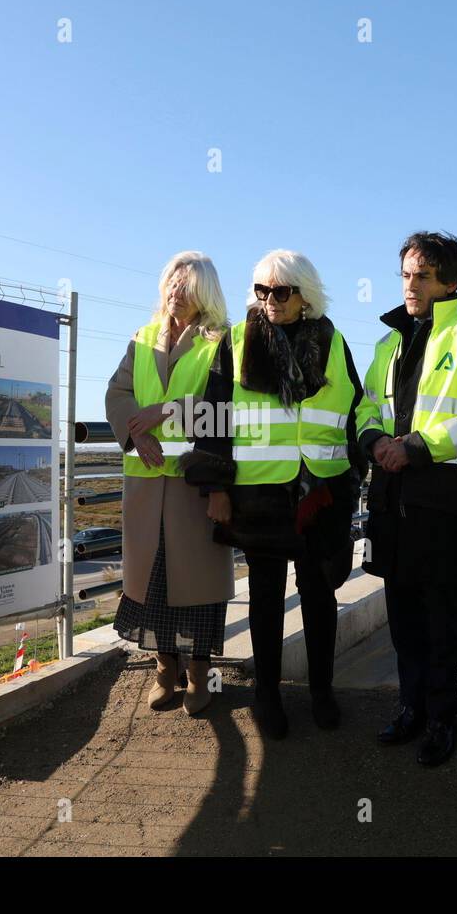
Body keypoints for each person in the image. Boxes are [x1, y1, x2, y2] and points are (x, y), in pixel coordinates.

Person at [183, 250, 365, 739]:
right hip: (258, 491)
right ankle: (267, 697)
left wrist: (353, 479)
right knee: (264, 597)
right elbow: (212, 416)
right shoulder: (237, 341)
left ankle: (321, 692)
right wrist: (216, 487)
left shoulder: (332, 338)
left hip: (320, 490)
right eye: (262, 290)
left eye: (281, 291)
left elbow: (353, 410)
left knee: (320, 593)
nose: (270, 300)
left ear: (304, 293)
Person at [356, 232, 457, 766]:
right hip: (391, 499)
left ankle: (444, 718)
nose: (411, 285)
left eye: (424, 276)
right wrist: (374, 442)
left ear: (451, 282)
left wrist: (415, 447)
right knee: (404, 616)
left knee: (446, 622)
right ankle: (410, 706)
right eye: (407, 275)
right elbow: (367, 408)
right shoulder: (387, 343)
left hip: (446, 499)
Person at [105, 252, 234, 715]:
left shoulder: (222, 341)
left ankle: (199, 676)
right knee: (153, 587)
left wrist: (168, 409)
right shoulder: (142, 338)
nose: (176, 289)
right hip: (145, 488)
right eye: (171, 281)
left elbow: (224, 406)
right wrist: (134, 433)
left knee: (196, 592)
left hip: (192, 485)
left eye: (186, 283)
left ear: (204, 291)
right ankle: (165, 670)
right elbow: (117, 394)